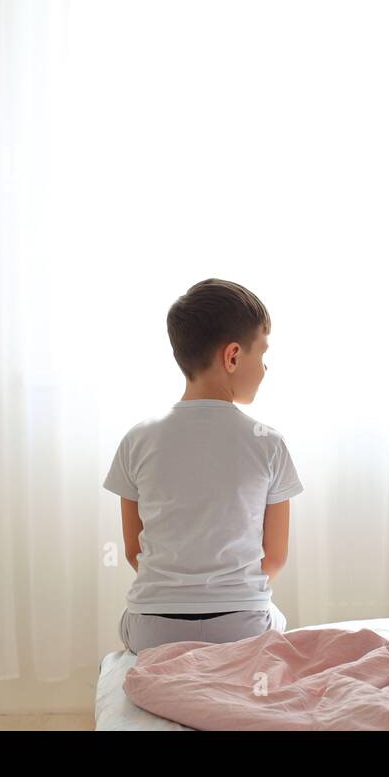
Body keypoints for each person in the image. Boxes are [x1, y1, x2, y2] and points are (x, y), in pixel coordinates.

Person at [103, 278, 303, 653]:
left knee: (132, 624)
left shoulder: (137, 440)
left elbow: (135, 551)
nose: (265, 368)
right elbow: (274, 557)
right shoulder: (269, 442)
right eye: (262, 354)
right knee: (277, 620)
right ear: (232, 357)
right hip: (242, 626)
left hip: (153, 630)